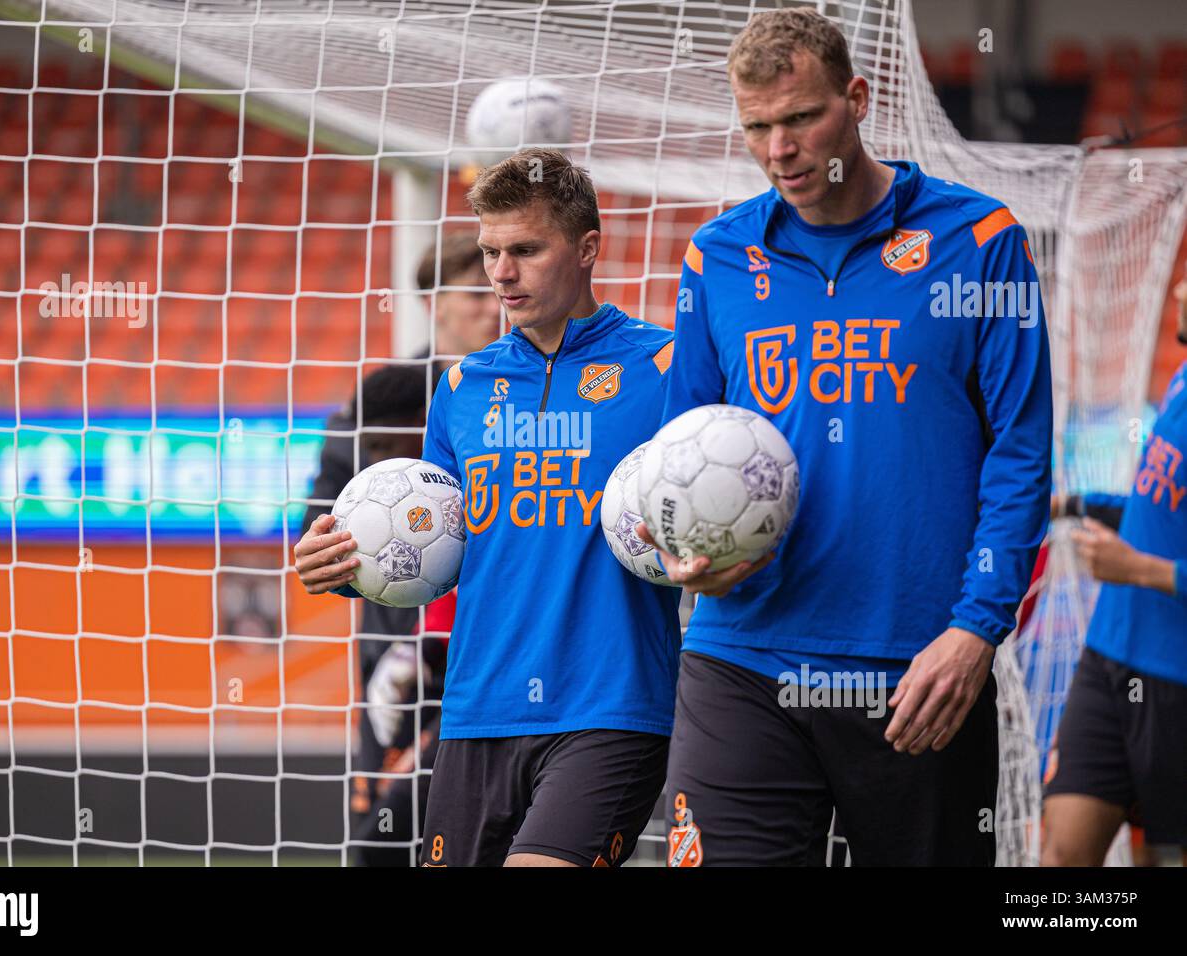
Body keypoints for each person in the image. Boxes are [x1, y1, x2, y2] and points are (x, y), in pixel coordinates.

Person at [639, 7, 1052, 866]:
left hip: (918, 667)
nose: (778, 148)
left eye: (799, 118)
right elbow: (679, 448)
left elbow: (1020, 448)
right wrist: (680, 549)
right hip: (742, 654)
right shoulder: (716, 255)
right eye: (757, 127)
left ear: (858, 99)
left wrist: (978, 627)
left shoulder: (979, 242)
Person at [296, 147, 682, 867]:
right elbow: (430, 543)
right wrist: (344, 564)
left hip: (609, 708)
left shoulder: (665, 367)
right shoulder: (463, 386)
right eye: (490, 251)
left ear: (588, 247)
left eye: (526, 250)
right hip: (476, 713)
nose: (502, 273)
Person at [294, 235, 499, 865]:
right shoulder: (380, 405)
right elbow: (316, 525)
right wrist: (318, 555)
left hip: (499, 661)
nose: (492, 309)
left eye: (496, 293)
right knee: (384, 844)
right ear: (433, 304)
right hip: (397, 672)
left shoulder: (537, 401)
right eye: (472, 296)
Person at [1041, 274, 1187, 866]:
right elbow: (1158, 508)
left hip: (1177, 686)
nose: (1178, 288)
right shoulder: (1181, 379)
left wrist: (1143, 570)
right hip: (1107, 659)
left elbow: (1148, 552)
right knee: (1061, 862)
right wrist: (1068, 505)